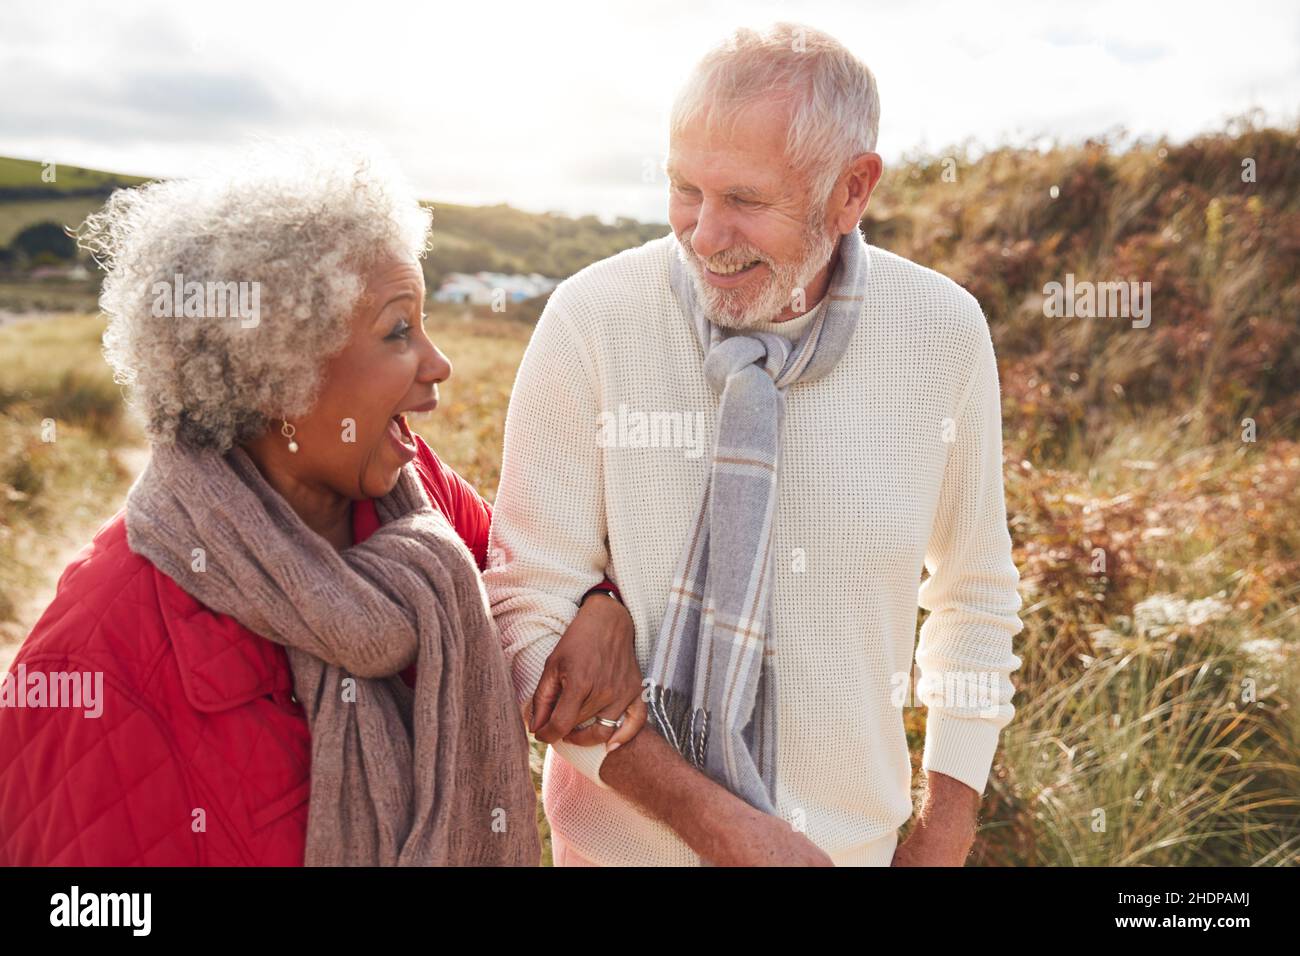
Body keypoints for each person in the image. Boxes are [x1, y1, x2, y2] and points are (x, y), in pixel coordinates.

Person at [0, 143, 635, 866]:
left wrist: (602, 603)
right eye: (399, 330)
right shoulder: (96, 663)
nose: (439, 364)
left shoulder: (412, 496)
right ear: (276, 372)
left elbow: (536, 578)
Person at [484, 23, 1025, 866]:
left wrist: (945, 827)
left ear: (851, 191)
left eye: (745, 200)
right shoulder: (593, 320)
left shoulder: (943, 334)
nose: (703, 234)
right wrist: (714, 822)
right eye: (684, 189)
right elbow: (525, 615)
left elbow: (975, 598)